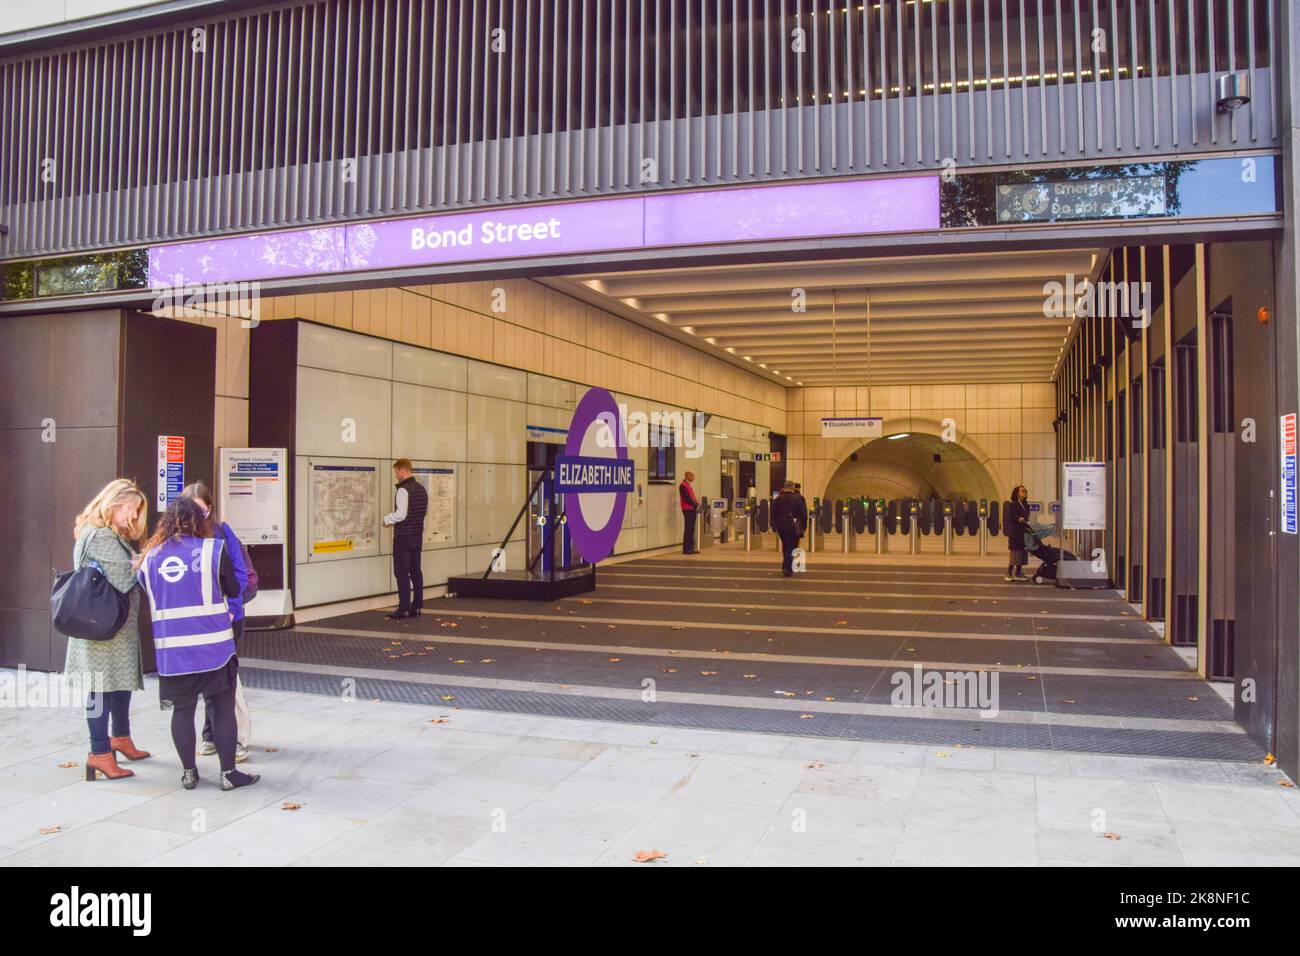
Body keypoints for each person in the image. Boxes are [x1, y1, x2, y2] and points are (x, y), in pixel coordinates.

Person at [138, 497, 258, 791]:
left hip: (173, 651)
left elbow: (148, 591)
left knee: (182, 710)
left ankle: (189, 773)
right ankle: (228, 774)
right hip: (213, 646)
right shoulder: (211, 550)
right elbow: (234, 587)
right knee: (221, 708)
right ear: (199, 521)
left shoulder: (150, 557)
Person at [66, 479, 152, 781]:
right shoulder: (100, 535)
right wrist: (144, 561)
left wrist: (137, 559)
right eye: (130, 509)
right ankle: (100, 753)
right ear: (114, 503)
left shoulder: (101, 532)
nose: (132, 516)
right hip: (102, 630)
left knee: (118, 682)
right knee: (100, 688)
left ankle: (120, 738)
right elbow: (126, 575)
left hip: (110, 628)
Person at [182, 483, 252, 764]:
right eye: (195, 509)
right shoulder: (177, 539)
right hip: (198, 622)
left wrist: (233, 609)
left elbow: (240, 573)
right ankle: (211, 734)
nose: (201, 514)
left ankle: (237, 739)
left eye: (205, 508)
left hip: (226, 618)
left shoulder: (222, 531)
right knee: (207, 677)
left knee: (227, 681)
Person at [382, 458, 428, 619]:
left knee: (401, 572)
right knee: (416, 571)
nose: (395, 475)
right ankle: (417, 606)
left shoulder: (403, 490)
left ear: (403, 471)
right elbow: (422, 514)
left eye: (396, 472)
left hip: (403, 538)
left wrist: (387, 519)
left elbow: (401, 514)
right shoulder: (422, 489)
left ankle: (403, 608)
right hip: (417, 536)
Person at [772, 480, 808, 577]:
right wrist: (804, 526)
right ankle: (787, 567)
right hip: (794, 527)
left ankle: (786, 565)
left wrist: (774, 526)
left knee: (785, 545)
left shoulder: (778, 499)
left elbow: (773, 514)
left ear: (784, 487)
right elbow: (803, 514)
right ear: (792, 487)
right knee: (792, 547)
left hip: (781, 527)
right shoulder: (798, 499)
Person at [1005, 485, 1031, 582]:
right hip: (1015, 533)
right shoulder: (1013, 504)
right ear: (1017, 493)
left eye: (1025, 490)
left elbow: (1027, 517)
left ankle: (1018, 573)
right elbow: (1011, 516)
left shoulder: (1026, 505)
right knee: (1015, 554)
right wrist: (1018, 518)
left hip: (1023, 531)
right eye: (1022, 491)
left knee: (1021, 552)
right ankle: (1009, 573)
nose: (1025, 492)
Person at [679, 470, 700, 554]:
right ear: (688, 476)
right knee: (688, 529)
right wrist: (695, 506)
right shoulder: (682, 486)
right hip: (687, 509)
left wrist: (697, 504)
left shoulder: (688, 485)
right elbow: (687, 498)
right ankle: (686, 549)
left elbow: (693, 497)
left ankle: (690, 548)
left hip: (692, 509)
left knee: (691, 529)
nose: (693, 478)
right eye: (692, 476)